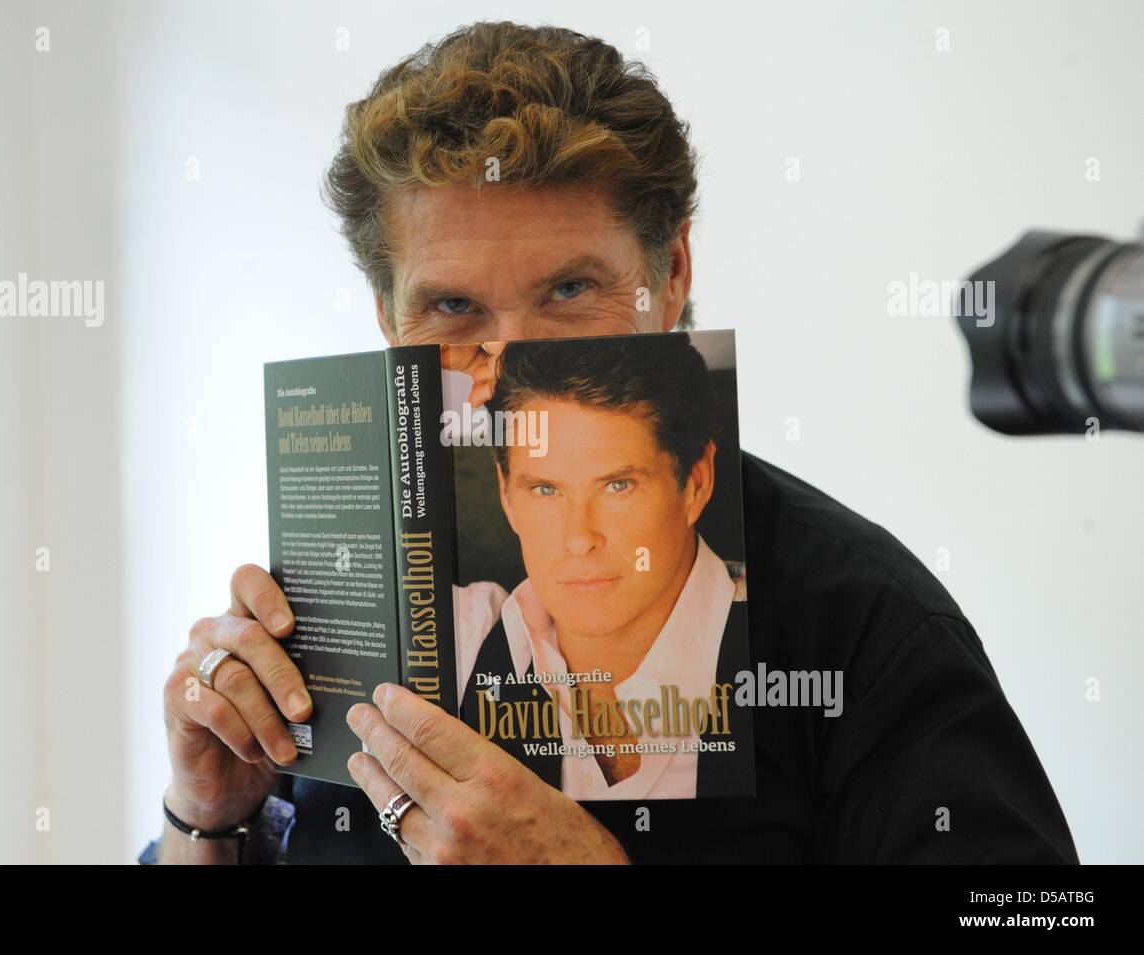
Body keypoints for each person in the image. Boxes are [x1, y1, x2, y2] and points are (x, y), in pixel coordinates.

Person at [146, 21, 1078, 864]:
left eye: (568, 290)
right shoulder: (347, 604)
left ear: (669, 275)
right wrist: (206, 815)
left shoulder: (863, 621)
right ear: (388, 317)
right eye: (454, 306)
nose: (508, 363)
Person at [452, 333, 746, 800]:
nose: (579, 539)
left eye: (617, 485)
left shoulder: (806, 653)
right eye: (545, 489)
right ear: (505, 492)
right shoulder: (454, 638)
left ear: (695, 482)